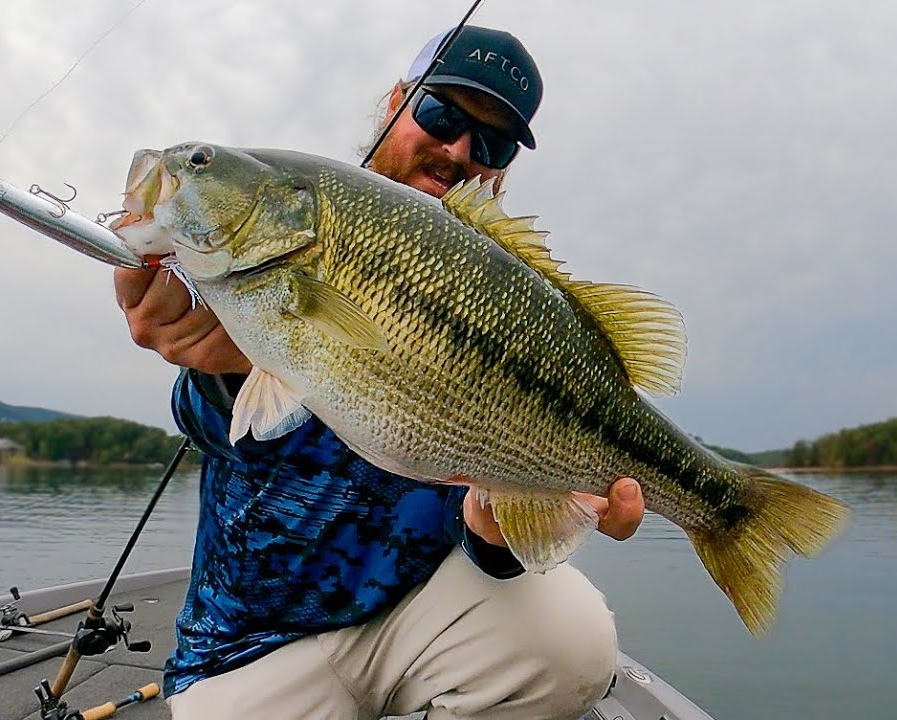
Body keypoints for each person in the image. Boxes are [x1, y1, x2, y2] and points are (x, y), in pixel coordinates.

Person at [114, 25, 647, 720]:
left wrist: (504, 530)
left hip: (419, 620)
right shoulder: (302, 229)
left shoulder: (506, 302)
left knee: (571, 639)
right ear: (396, 102)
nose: (458, 149)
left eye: (490, 144)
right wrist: (216, 367)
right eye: (442, 114)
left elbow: (482, 540)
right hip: (254, 648)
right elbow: (214, 425)